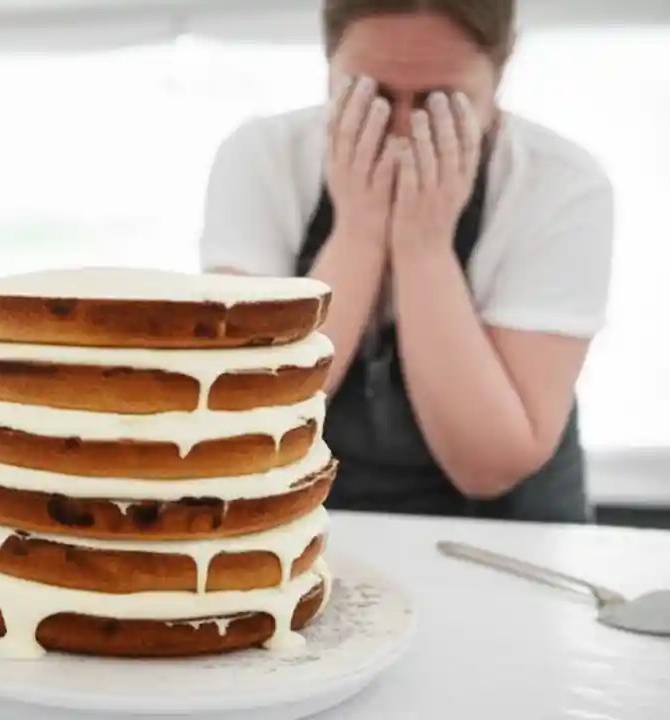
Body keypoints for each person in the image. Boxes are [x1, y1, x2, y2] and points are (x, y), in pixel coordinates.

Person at [199, 0, 613, 522]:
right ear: (328, 62)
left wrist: (424, 248)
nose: (400, 131)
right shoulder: (265, 156)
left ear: (503, 67)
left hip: (507, 535)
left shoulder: (559, 184)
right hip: (309, 524)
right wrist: (358, 232)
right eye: (370, 97)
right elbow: (248, 420)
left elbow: (487, 466)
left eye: (440, 103)